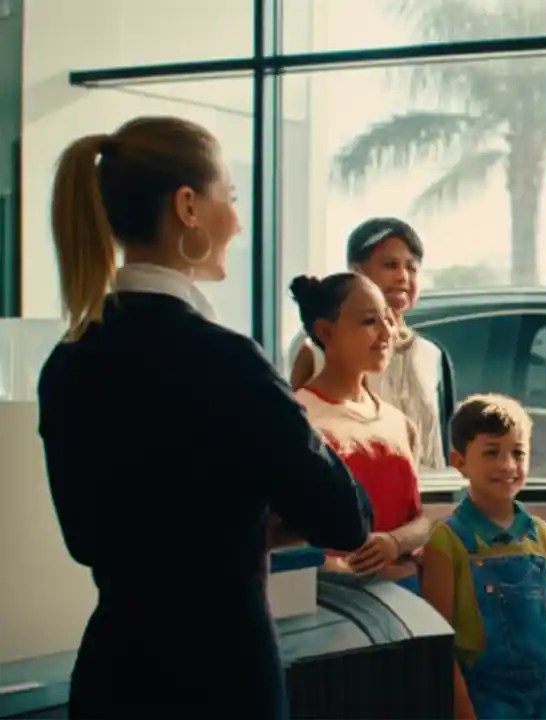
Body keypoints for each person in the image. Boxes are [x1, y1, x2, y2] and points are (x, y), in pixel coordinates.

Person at [36, 117, 372, 719]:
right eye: (231, 198)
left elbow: (87, 539)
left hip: (114, 678)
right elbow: (346, 519)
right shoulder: (227, 359)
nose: (238, 221)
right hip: (222, 679)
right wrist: (250, 514)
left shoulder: (69, 361)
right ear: (188, 206)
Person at [420, 394, 546, 720]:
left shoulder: (543, 536)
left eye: (518, 453)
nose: (507, 465)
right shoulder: (448, 541)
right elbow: (439, 642)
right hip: (487, 702)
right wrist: (462, 710)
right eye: (491, 452)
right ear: (459, 460)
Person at [289, 272, 433, 592]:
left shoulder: (399, 424)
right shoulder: (299, 419)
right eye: (369, 321)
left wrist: (394, 543)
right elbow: (282, 532)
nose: (386, 333)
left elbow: (421, 521)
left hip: (407, 594)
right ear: (326, 331)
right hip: (331, 597)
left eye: (387, 319)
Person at [288, 217, 446, 474]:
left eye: (412, 267)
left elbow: (433, 447)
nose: (403, 276)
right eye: (390, 265)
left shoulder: (429, 354)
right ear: (356, 271)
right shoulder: (317, 346)